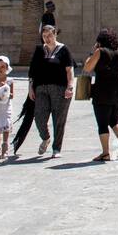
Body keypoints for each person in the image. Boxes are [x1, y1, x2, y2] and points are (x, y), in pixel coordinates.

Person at [83, 28, 118, 161]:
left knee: (102, 123)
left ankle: (105, 153)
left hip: (103, 90)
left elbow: (87, 67)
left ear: (100, 41)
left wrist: (92, 52)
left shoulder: (99, 52)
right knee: (114, 119)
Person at [28, 24, 74, 158]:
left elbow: (69, 70)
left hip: (60, 88)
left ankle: (56, 148)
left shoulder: (64, 50)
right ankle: (46, 137)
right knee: (39, 116)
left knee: (59, 119)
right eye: (44, 36)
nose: (47, 39)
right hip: (41, 88)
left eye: (49, 36)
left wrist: (70, 87)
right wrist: (30, 87)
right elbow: (32, 70)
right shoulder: (39, 50)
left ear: (55, 35)